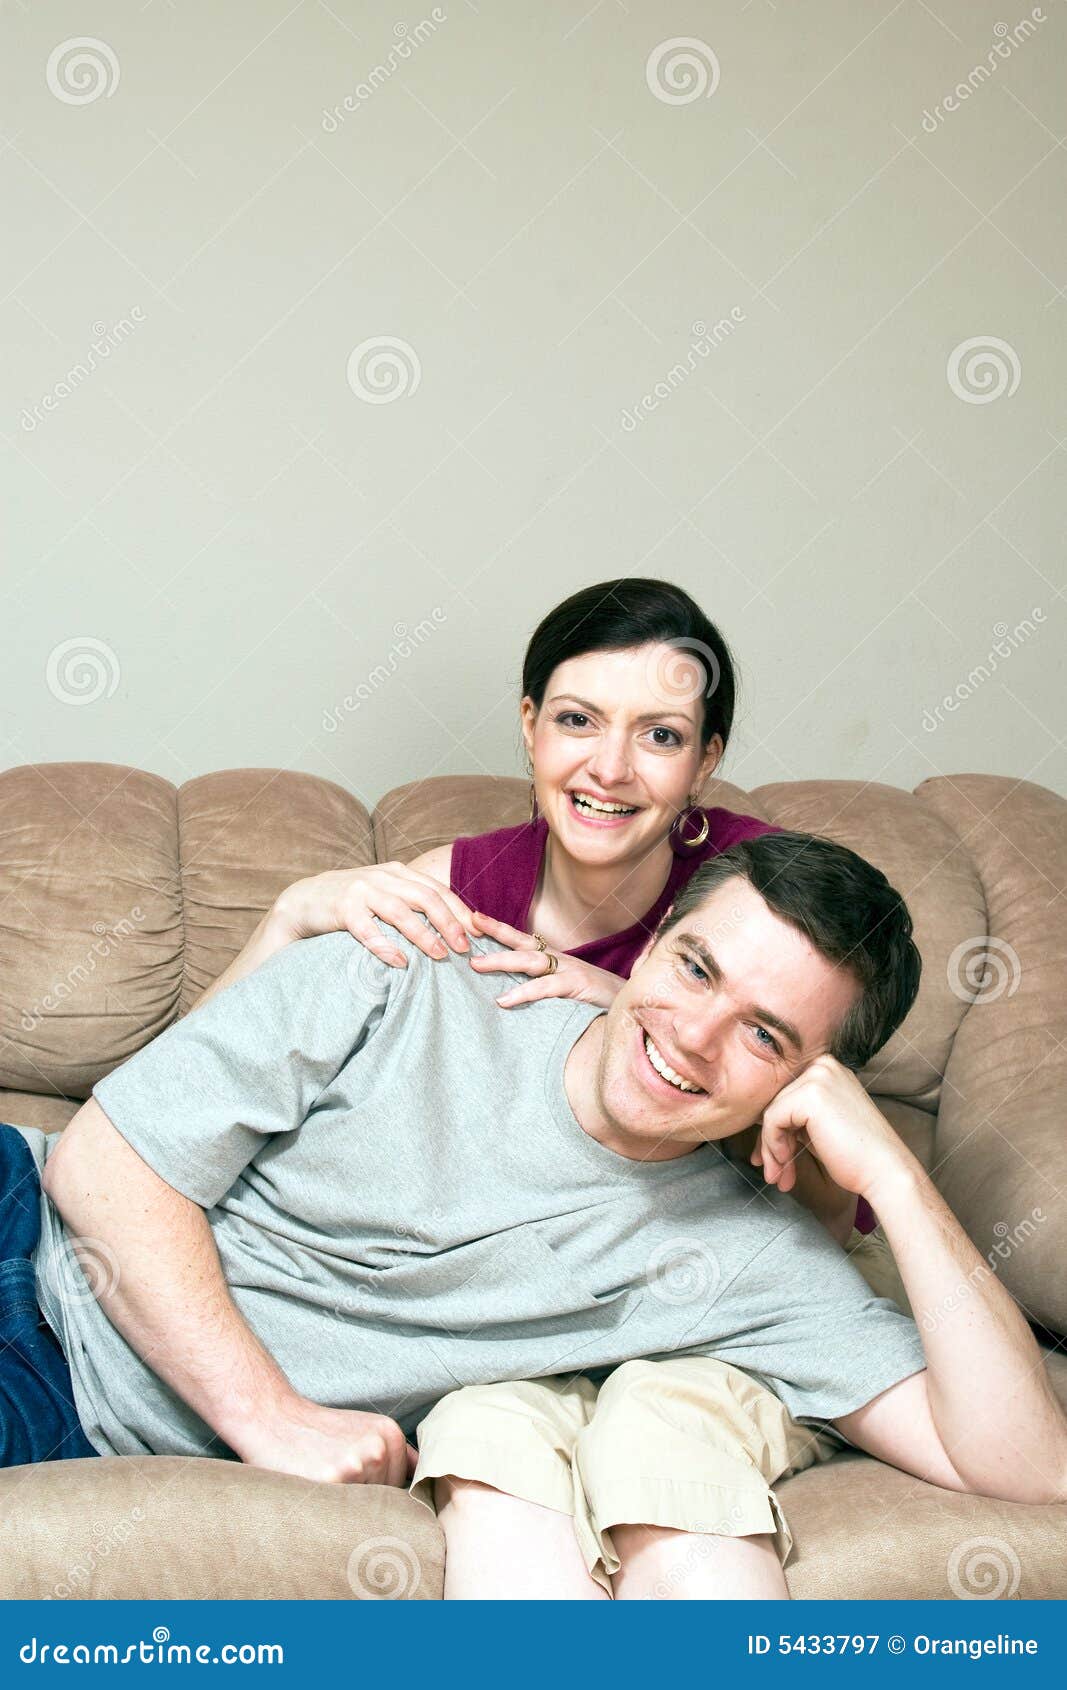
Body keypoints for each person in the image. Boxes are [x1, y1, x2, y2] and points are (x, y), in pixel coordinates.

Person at [9, 834, 1066, 1603]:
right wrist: (268, 1416)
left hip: (61, 1399)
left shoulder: (751, 1259)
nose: (690, 1036)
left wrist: (891, 1167)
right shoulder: (408, 969)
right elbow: (102, 1164)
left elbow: (1025, 1465)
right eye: (694, 966)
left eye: (762, 1035)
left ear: (807, 1081)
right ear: (651, 944)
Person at [197, 577, 872, 1253]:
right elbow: (182, 1089)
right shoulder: (451, 892)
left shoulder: (757, 891)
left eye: (660, 736)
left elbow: (819, 1184)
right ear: (530, 726)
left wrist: (624, 1008)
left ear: (704, 763)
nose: (609, 768)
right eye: (577, 720)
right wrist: (286, 916)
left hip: (723, 1245)